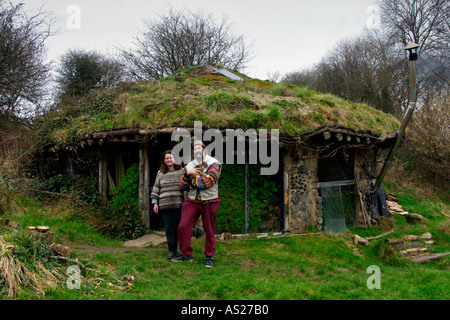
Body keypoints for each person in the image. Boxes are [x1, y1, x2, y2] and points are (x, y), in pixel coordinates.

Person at [172, 140, 221, 268]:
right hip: (192, 200)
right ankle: (186, 254)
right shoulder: (190, 166)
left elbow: (208, 182)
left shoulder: (214, 164)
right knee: (183, 226)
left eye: (199, 148)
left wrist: (192, 182)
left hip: (210, 201)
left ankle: (209, 256)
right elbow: (182, 185)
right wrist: (188, 174)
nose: (197, 150)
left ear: (204, 150)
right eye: (195, 149)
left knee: (209, 229)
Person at [150, 150, 185, 259]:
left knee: (177, 228)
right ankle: (171, 250)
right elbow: (156, 188)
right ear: (164, 161)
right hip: (164, 205)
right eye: (167, 158)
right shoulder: (160, 173)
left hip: (177, 205)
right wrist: (155, 202)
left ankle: (177, 250)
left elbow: (186, 187)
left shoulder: (181, 172)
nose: (169, 160)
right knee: (169, 228)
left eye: (171, 158)